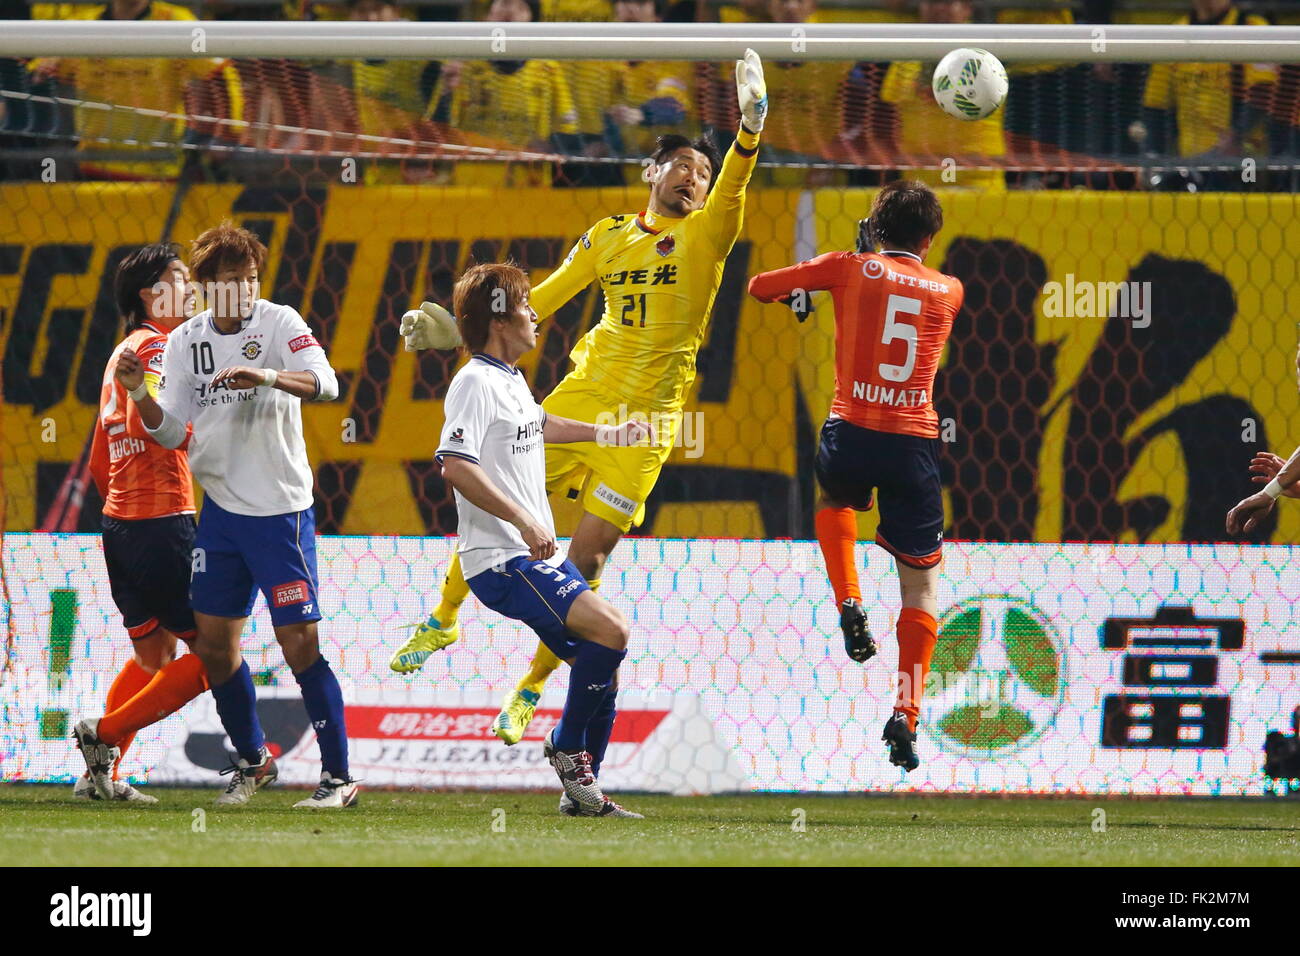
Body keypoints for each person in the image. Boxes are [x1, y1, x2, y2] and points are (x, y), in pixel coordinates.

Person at [392, 51, 770, 748]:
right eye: (683, 165)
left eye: (705, 172)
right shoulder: (607, 236)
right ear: (651, 173)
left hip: (644, 428)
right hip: (582, 396)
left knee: (581, 569)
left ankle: (531, 687)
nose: (695, 177)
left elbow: (736, 186)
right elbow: (539, 301)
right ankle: (443, 617)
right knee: (497, 511)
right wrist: (457, 326)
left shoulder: (709, 235)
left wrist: (750, 130)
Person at [112, 221, 354, 808]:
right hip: (220, 515)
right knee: (216, 648)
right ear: (207, 286)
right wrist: (140, 394)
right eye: (230, 282)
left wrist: (266, 374)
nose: (244, 291)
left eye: (250, 279)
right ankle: (251, 763)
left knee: (299, 645)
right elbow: (169, 432)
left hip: (280, 512)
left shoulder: (279, 321)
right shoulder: (183, 342)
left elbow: (327, 384)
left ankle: (337, 779)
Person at [746, 180, 963, 772]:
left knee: (834, 496)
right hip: (914, 442)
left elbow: (760, 287)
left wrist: (829, 273)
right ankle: (906, 712)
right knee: (920, 587)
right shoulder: (951, 289)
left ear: (874, 223)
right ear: (931, 237)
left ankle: (848, 601)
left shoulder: (848, 266)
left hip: (852, 430)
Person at [438, 262, 650, 816]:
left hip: (533, 555)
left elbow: (538, 423)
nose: (536, 314)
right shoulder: (475, 381)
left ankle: (584, 793)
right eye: (526, 304)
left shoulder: (507, 378)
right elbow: (455, 466)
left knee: (600, 658)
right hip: (502, 559)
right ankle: (567, 747)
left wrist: (608, 432)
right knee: (612, 631)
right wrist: (527, 522)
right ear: (501, 316)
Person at [71, 244, 210, 802]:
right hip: (161, 521)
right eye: (180, 277)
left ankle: (97, 777)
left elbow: (99, 460)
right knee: (212, 656)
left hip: (121, 525)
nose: (193, 285)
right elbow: (149, 422)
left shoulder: (119, 352)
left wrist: (124, 516)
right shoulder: (157, 349)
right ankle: (101, 736)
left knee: (153, 657)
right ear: (152, 295)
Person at [876, 0, 1005, 191]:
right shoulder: (908, 52)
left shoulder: (983, 52)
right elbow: (894, 104)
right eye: (931, 2)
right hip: (919, 183)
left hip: (976, 181)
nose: (938, 8)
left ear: (967, 8)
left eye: (947, 2)